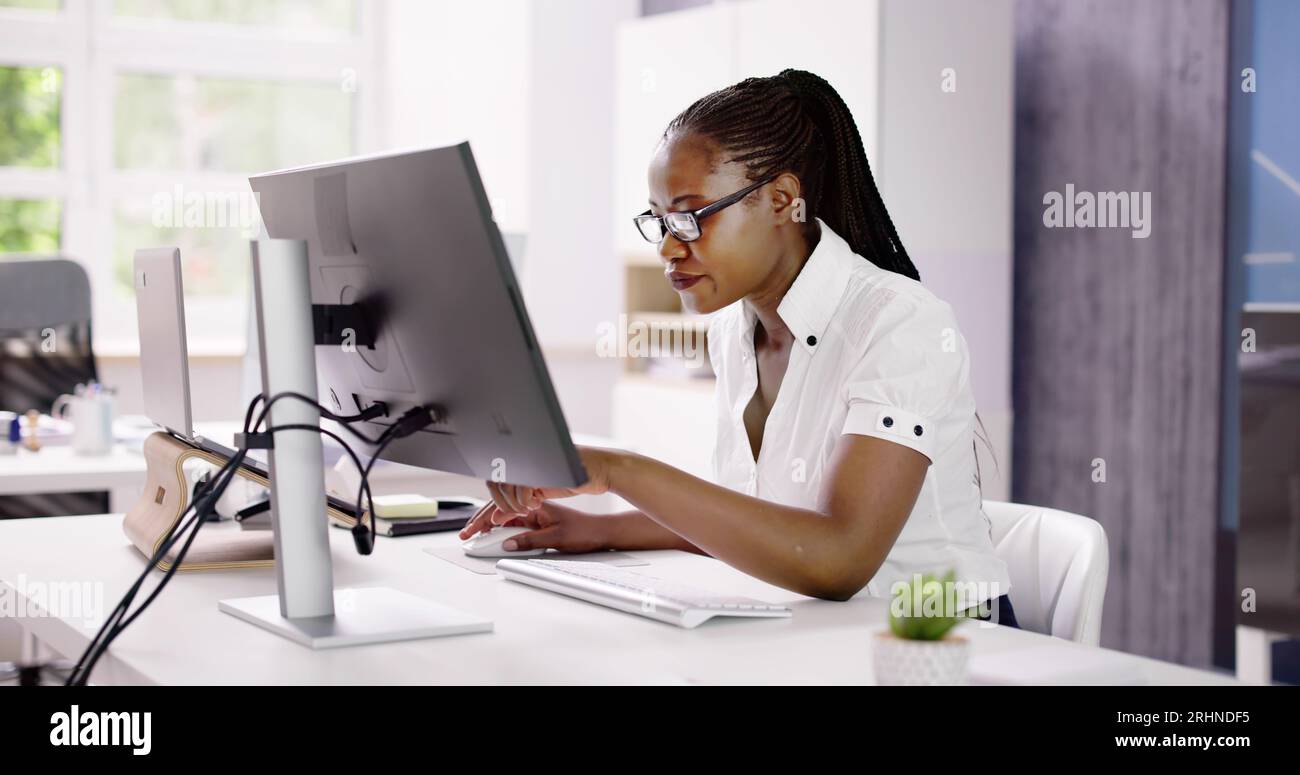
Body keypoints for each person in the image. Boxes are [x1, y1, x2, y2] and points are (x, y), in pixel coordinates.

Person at [461, 69, 1016, 624]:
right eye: (659, 222)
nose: (669, 248)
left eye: (690, 216)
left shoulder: (900, 322)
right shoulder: (736, 327)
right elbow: (760, 521)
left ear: (781, 200)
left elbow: (839, 559)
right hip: (826, 632)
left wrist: (619, 470)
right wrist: (596, 529)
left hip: (943, 639)